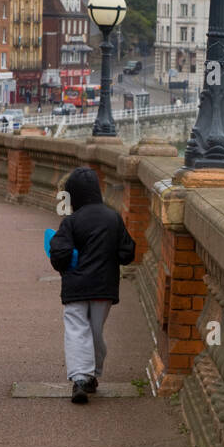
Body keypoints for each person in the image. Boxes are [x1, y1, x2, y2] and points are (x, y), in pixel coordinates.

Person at [48, 167, 135, 404]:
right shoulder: (113, 218)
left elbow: (60, 253)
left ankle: (80, 378)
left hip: (75, 287)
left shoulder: (71, 222)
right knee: (95, 332)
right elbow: (127, 252)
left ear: (73, 195)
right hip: (104, 289)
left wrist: (64, 264)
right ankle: (92, 374)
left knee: (77, 330)